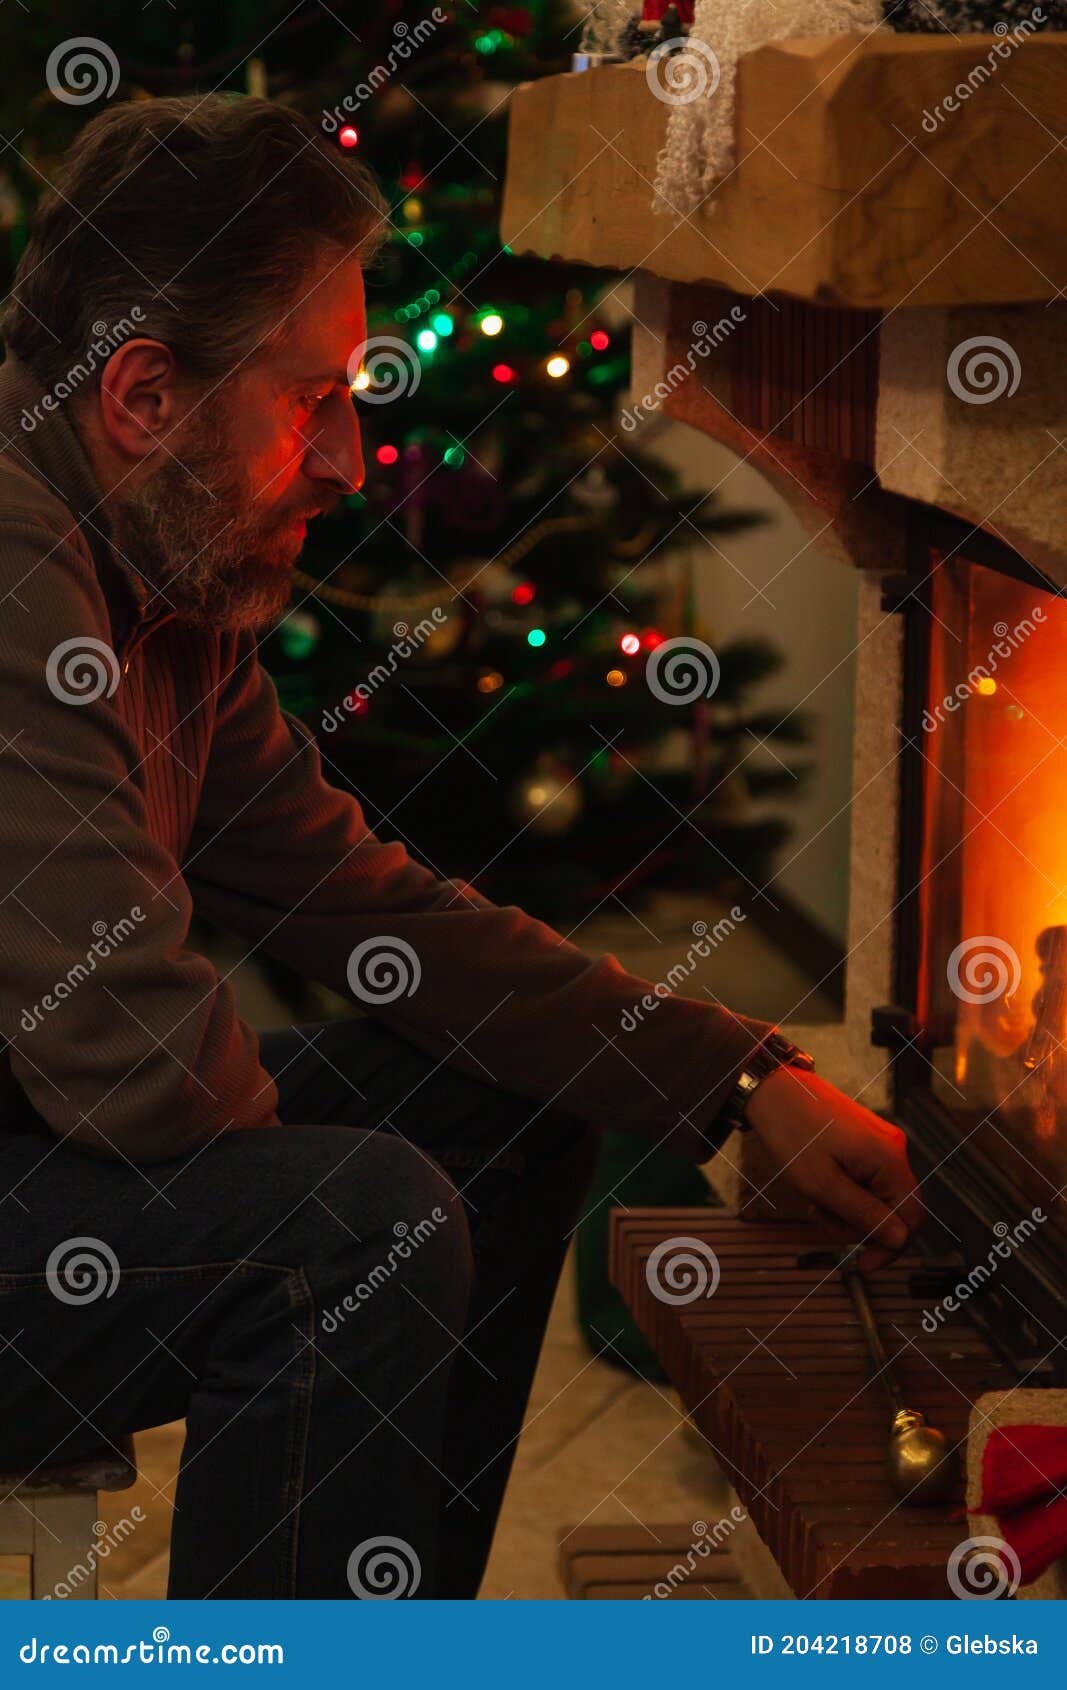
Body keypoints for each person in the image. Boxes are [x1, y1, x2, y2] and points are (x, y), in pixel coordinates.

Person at [0, 96, 922, 1599]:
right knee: (355, 1225)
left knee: (498, 1098)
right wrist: (349, 1182)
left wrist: (741, 1077)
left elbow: (373, 904)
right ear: (144, 395)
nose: (352, 462)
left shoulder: (152, 572)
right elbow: (138, 1067)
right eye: (311, 403)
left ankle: (383, 1622)